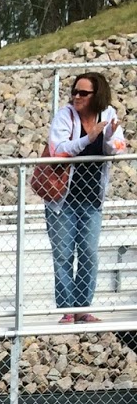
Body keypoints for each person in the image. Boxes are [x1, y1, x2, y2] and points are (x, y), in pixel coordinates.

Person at [44, 70, 127, 324]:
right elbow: (57, 148)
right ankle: (67, 310)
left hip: (92, 198)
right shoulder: (65, 115)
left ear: (96, 95)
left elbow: (117, 147)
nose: (76, 96)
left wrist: (110, 137)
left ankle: (83, 308)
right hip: (63, 199)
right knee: (63, 254)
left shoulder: (108, 114)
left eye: (83, 93)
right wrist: (87, 138)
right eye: (75, 91)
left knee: (89, 253)